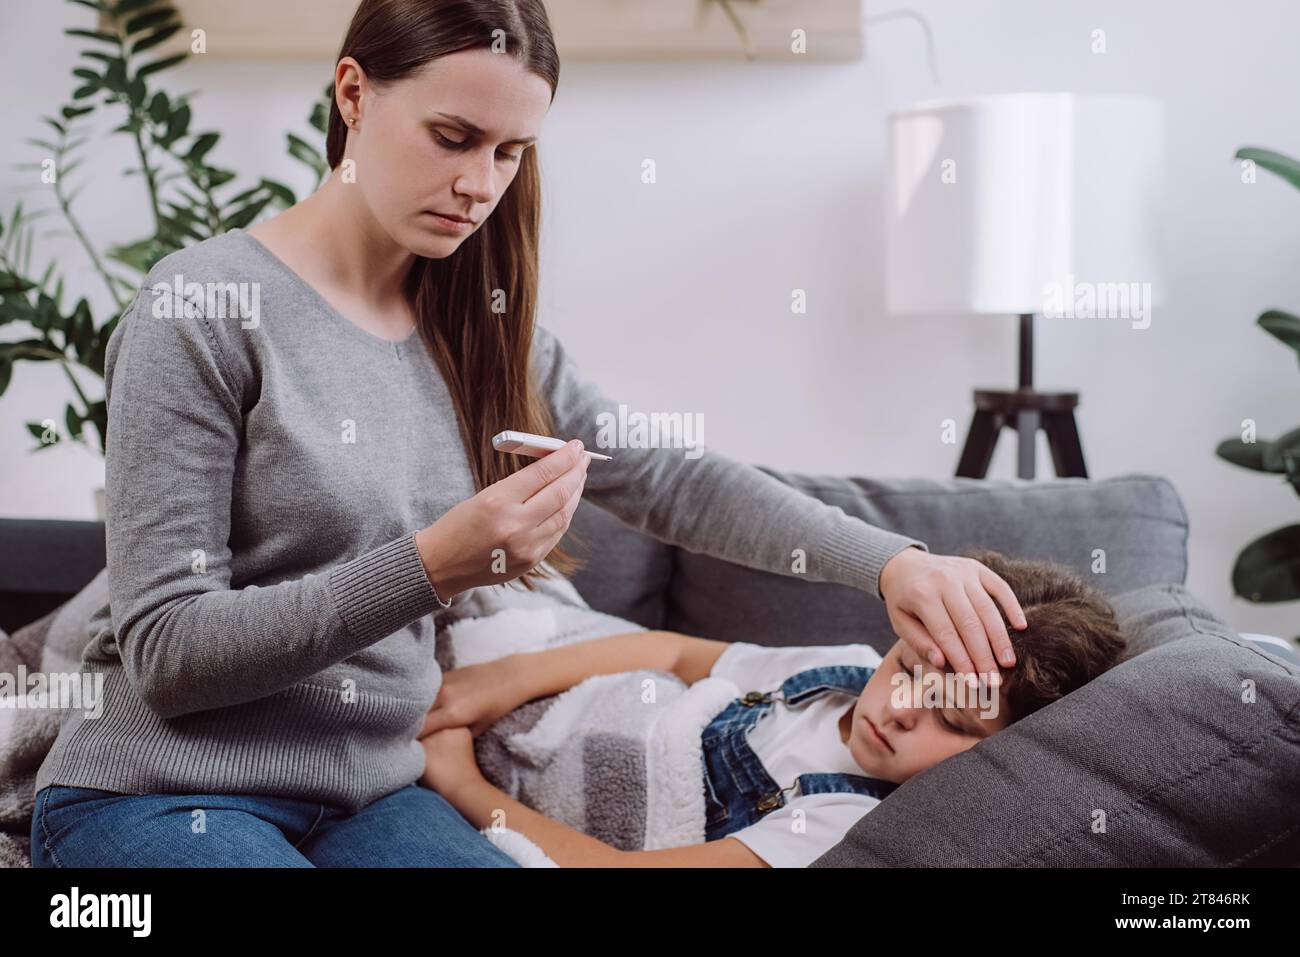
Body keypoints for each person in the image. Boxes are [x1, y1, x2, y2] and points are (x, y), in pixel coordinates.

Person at [31, 0, 1024, 868]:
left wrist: (892, 566)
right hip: (164, 788)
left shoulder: (487, 334)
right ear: (353, 94)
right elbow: (166, 650)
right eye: (453, 136)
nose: (479, 184)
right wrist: (429, 568)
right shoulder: (201, 311)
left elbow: (670, 480)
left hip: (371, 795)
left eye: (509, 153)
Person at [418, 549, 1127, 867]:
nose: (905, 708)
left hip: (535, 785)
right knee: (484, 593)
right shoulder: (836, 671)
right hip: (575, 682)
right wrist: (507, 676)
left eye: (954, 719)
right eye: (910, 668)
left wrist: (462, 787)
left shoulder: (845, 823)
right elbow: (669, 655)